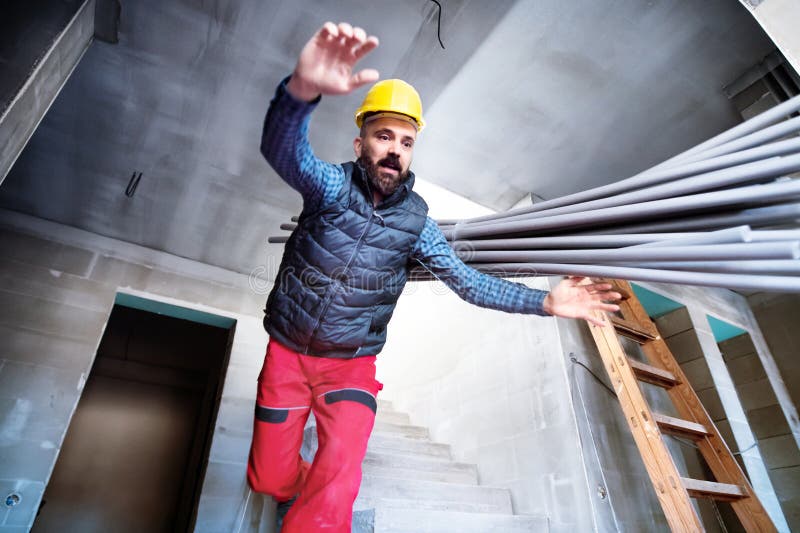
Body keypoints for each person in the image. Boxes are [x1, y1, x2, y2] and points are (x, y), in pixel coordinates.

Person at [247, 21, 621, 532]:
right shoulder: (330, 188)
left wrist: (546, 304)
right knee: (268, 480)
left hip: (350, 367)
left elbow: (469, 282)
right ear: (361, 142)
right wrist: (301, 90)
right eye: (384, 136)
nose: (396, 149)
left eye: (406, 140)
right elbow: (283, 152)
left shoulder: (417, 222)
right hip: (286, 355)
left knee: (339, 483)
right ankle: (293, 489)